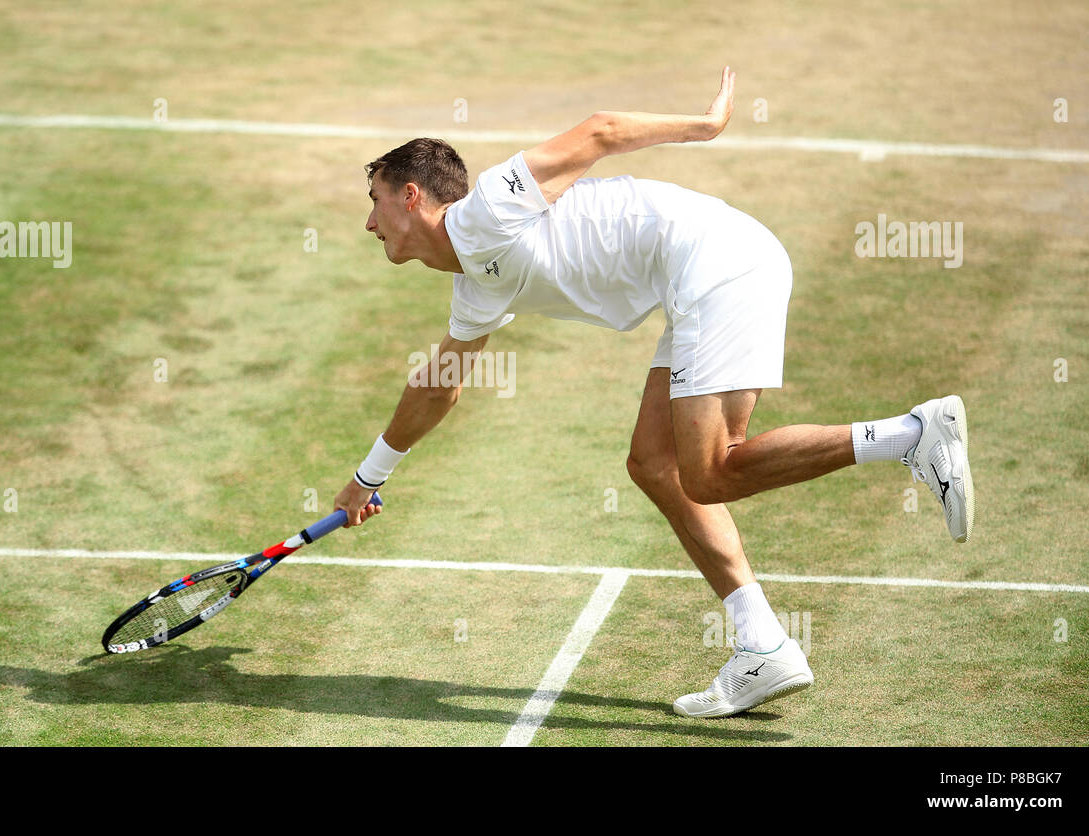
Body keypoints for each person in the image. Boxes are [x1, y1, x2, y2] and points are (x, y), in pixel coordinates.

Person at [333, 67, 974, 718]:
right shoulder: (475, 284)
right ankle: (763, 645)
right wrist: (368, 478)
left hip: (718, 265)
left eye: (374, 201)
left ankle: (913, 436)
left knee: (712, 470)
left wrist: (704, 126)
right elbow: (438, 388)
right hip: (702, 278)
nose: (367, 224)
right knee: (655, 465)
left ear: (410, 196)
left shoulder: (490, 205)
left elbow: (601, 132)